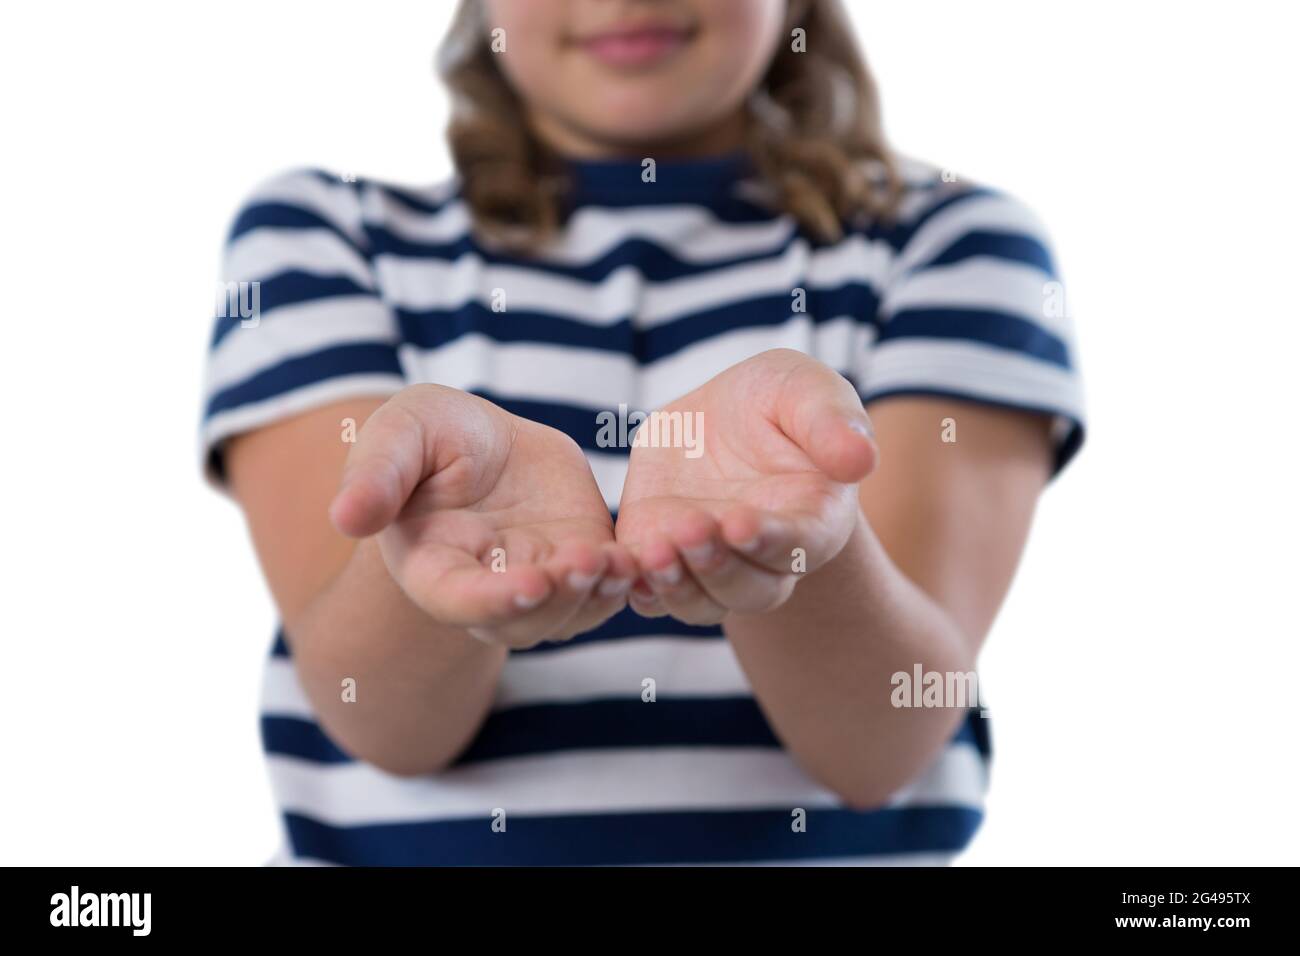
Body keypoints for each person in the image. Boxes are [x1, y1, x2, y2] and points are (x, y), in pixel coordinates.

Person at [201, 0, 1085, 865]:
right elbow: (377, 721)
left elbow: (882, 747)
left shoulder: (953, 246)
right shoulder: (322, 241)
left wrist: (806, 546)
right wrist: (430, 554)